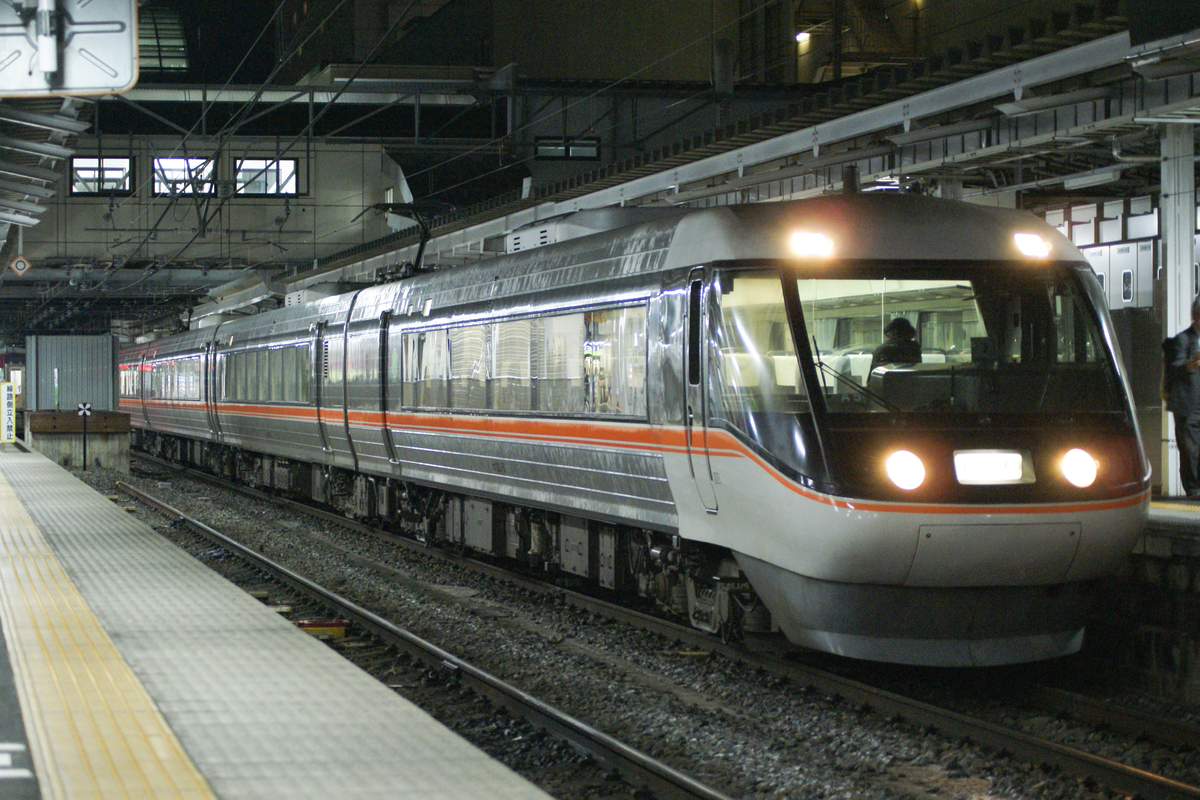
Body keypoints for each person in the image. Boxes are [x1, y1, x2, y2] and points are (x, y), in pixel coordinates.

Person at [1164, 296, 1200, 498]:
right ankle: (1193, 490)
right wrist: (1189, 365)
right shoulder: (1182, 340)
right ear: (1195, 316)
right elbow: (1174, 368)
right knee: (1190, 450)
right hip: (1188, 405)